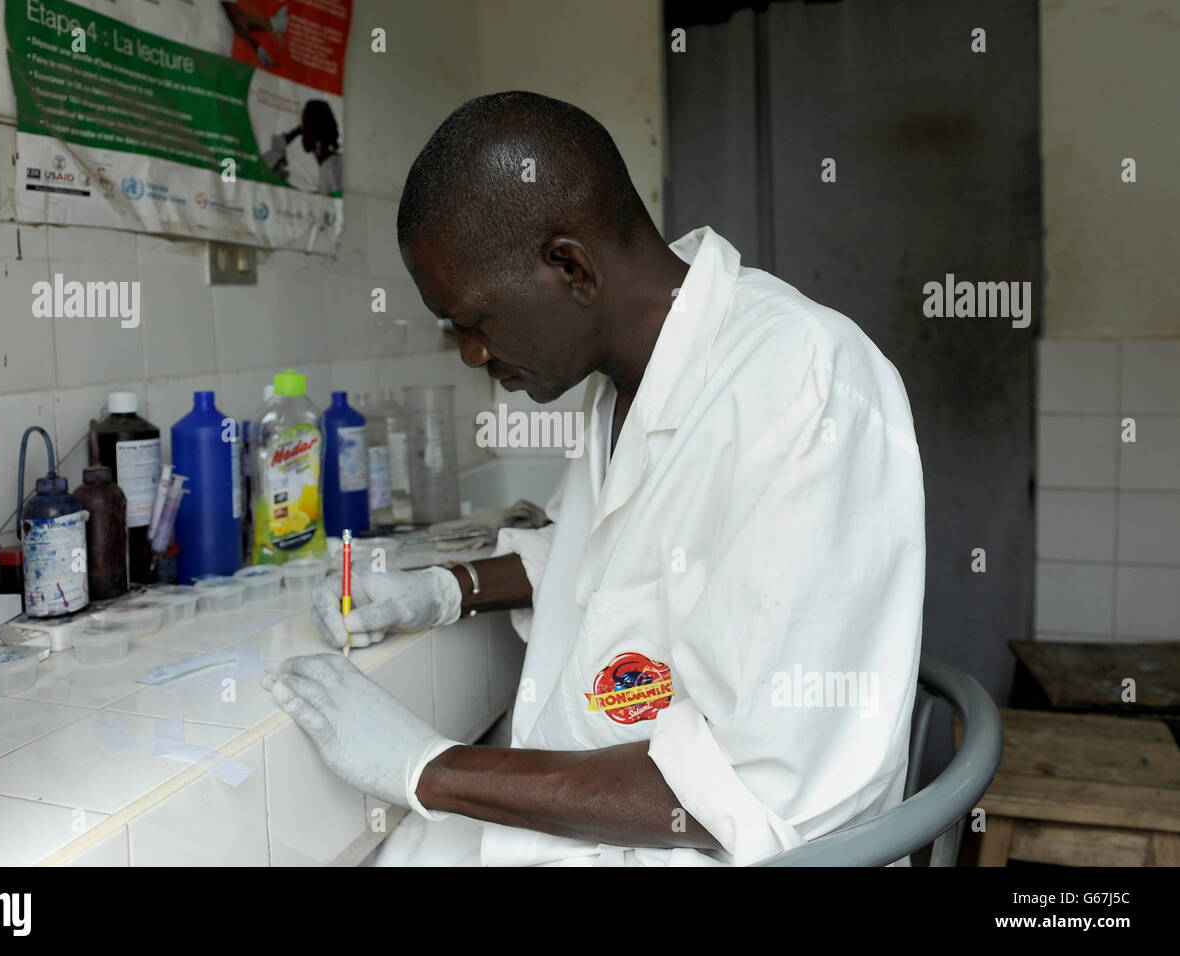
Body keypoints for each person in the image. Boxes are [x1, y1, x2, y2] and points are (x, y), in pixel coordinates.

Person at [264, 91, 926, 866]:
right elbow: (608, 564)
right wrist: (446, 588)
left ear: (570, 266)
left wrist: (429, 768)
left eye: (474, 322)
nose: (472, 355)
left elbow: (743, 795)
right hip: (600, 823)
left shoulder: (804, 385)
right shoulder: (631, 378)